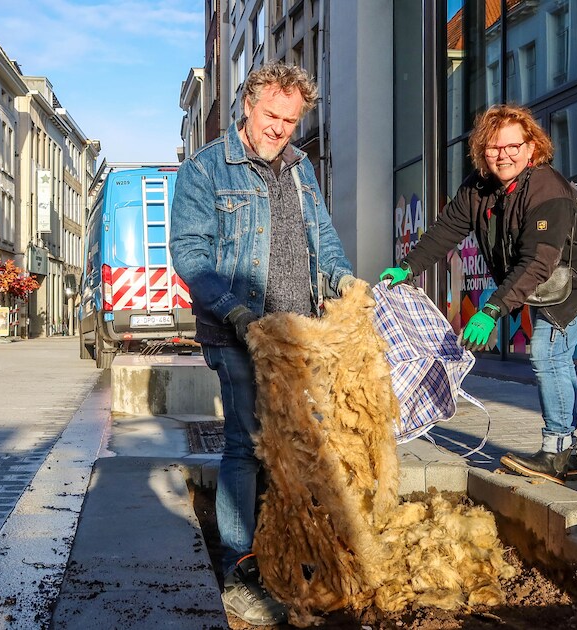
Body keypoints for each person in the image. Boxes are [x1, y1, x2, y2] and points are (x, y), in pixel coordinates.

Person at [170, 62, 356, 626]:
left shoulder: (301, 169)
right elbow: (190, 254)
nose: (280, 129)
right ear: (248, 106)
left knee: (297, 443)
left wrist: (344, 282)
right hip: (238, 331)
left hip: (296, 335)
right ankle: (241, 566)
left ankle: (288, 544)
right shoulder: (207, 170)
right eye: (272, 115)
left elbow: (323, 240)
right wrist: (238, 313)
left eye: (290, 120)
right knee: (248, 444)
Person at [379, 104, 577, 485]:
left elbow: (538, 262)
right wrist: (409, 267)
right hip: (541, 277)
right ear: (481, 151)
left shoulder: (547, 189)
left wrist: (490, 310)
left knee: (547, 350)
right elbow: (446, 231)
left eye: (512, 146)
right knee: (552, 353)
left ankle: (557, 451)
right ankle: (567, 454)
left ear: (531, 148)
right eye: (493, 148)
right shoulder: (479, 188)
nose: (502, 155)